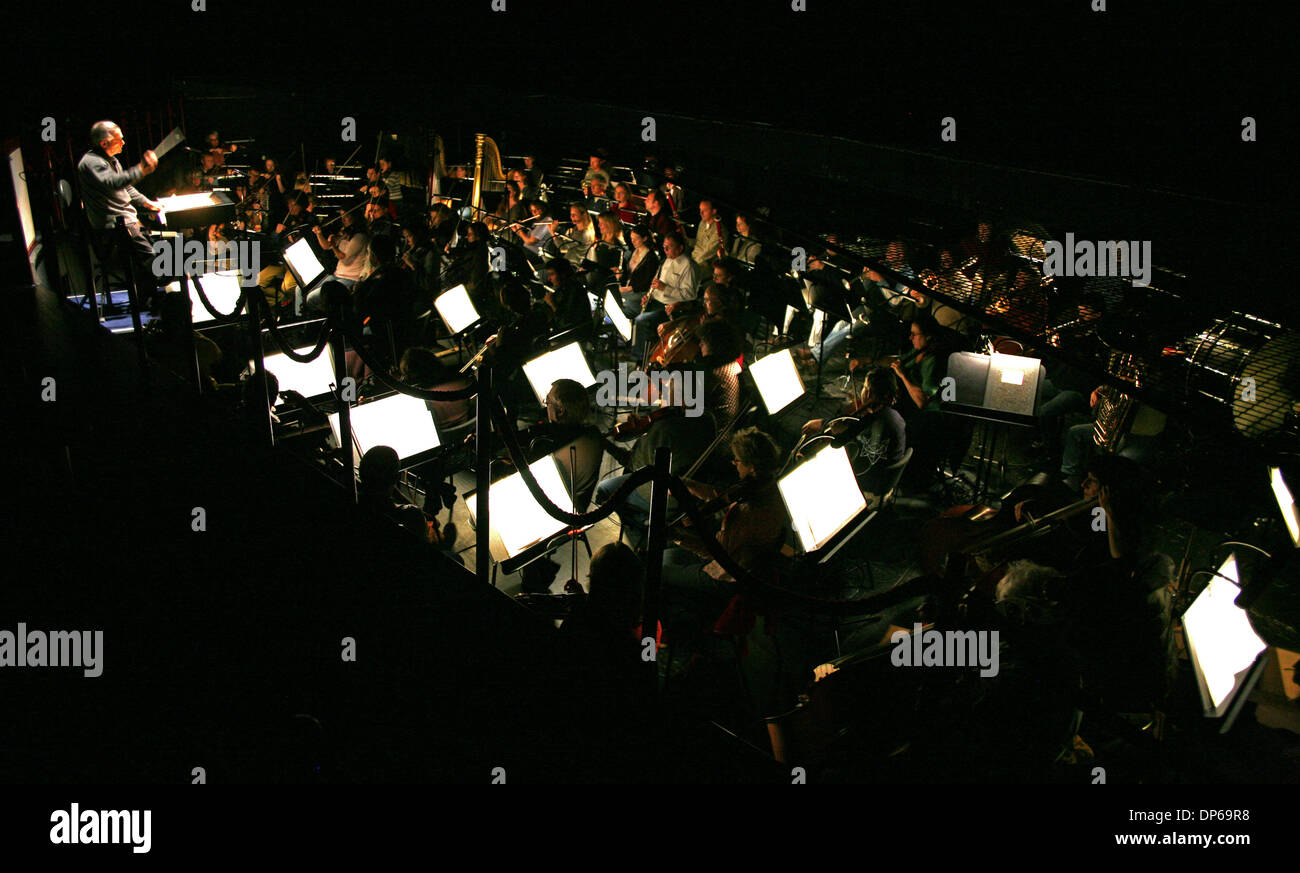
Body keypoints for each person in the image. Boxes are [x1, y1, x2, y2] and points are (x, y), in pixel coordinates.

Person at [660, 427, 790, 629]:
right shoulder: (769, 487)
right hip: (743, 563)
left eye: (737, 460)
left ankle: (678, 628)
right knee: (667, 557)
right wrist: (690, 485)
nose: (734, 464)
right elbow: (723, 497)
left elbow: (714, 553)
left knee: (655, 573)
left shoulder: (748, 515)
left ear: (752, 467)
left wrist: (677, 536)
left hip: (725, 579)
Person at [78, 121, 164, 303]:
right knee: (151, 258)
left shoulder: (111, 160)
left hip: (126, 219)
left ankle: (147, 297)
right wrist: (141, 168)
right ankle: (154, 299)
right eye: (120, 140)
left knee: (157, 248)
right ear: (104, 143)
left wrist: (147, 203)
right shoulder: (92, 163)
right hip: (114, 224)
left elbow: (126, 187)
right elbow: (115, 182)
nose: (124, 143)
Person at [802, 367, 907, 503]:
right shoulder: (895, 416)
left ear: (868, 392)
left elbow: (839, 443)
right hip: (886, 485)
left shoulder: (872, 423)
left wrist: (824, 424)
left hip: (869, 490)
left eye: (863, 387)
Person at [633, 232, 697, 353]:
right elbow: (655, 282)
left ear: (680, 248)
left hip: (670, 307)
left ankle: (640, 357)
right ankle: (636, 347)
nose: (666, 250)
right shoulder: (665, 261)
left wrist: (665, 288)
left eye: (669, 247)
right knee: (629, 307)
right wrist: (648, 296)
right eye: (664, 247)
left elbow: (690, 294)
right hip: (655, 300)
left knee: (641, 320)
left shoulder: (689, 266)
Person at [615, 224, 659, 318]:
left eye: (636, 238)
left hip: (639, 292)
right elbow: (628, 272)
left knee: (617, 302)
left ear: (644, 238)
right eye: (632, 238)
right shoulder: (633, 251)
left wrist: (629, 288)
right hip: (628, 286)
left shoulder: (651, 258)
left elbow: (647, 282)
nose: (633, 241)